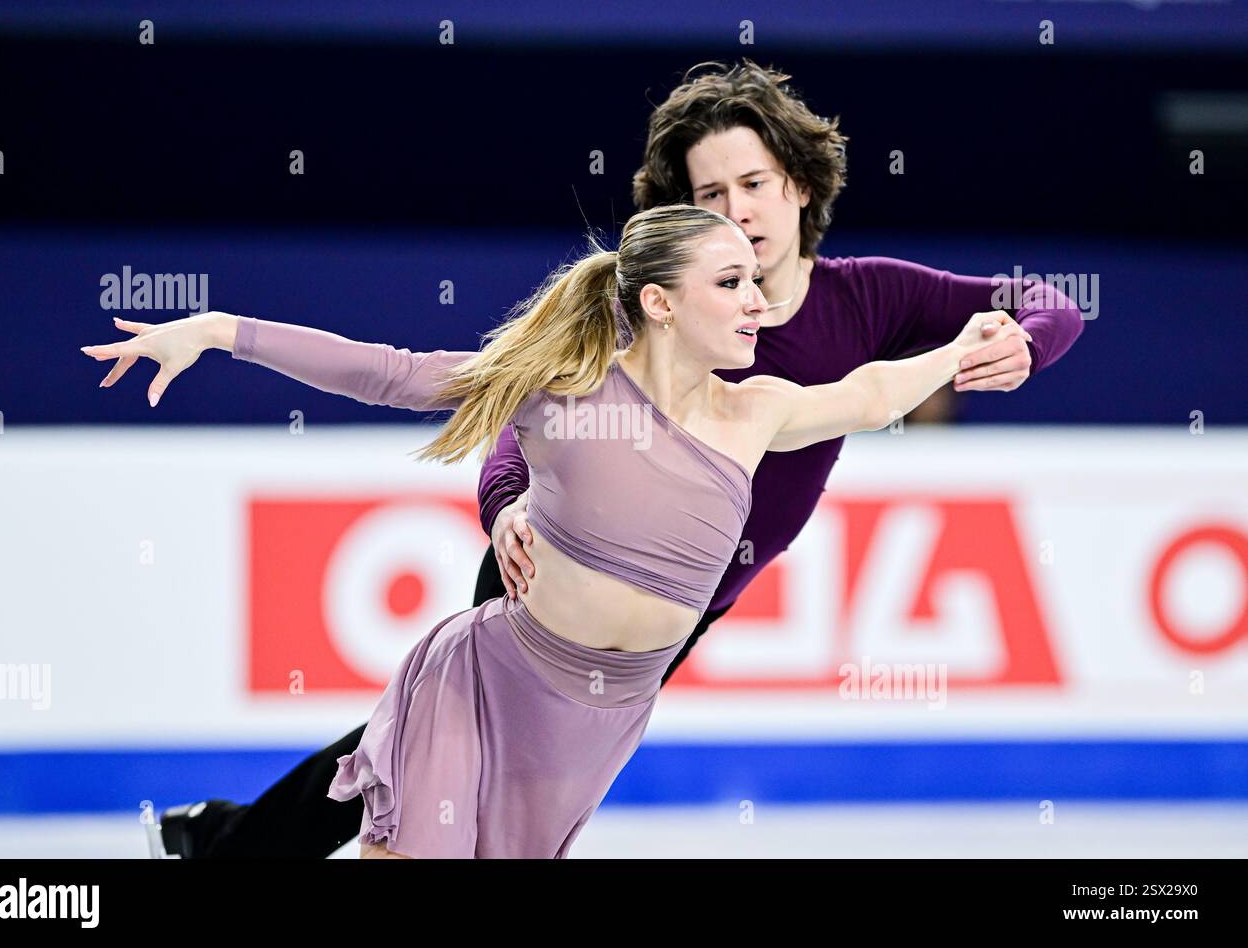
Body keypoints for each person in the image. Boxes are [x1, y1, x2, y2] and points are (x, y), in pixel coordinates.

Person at [148, 59, 1085, 858]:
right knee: (435, 755)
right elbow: (512, 404)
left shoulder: (859, 309)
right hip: (546, 565)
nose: (737, 211)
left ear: (798, 183)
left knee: (490, 782)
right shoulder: (648, 330)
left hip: (682, 612)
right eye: (709, 196)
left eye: (753, 184)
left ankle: (233, 842)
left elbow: (1023, 311)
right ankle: (239, 847)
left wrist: (1016, 342)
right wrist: (508, 499)